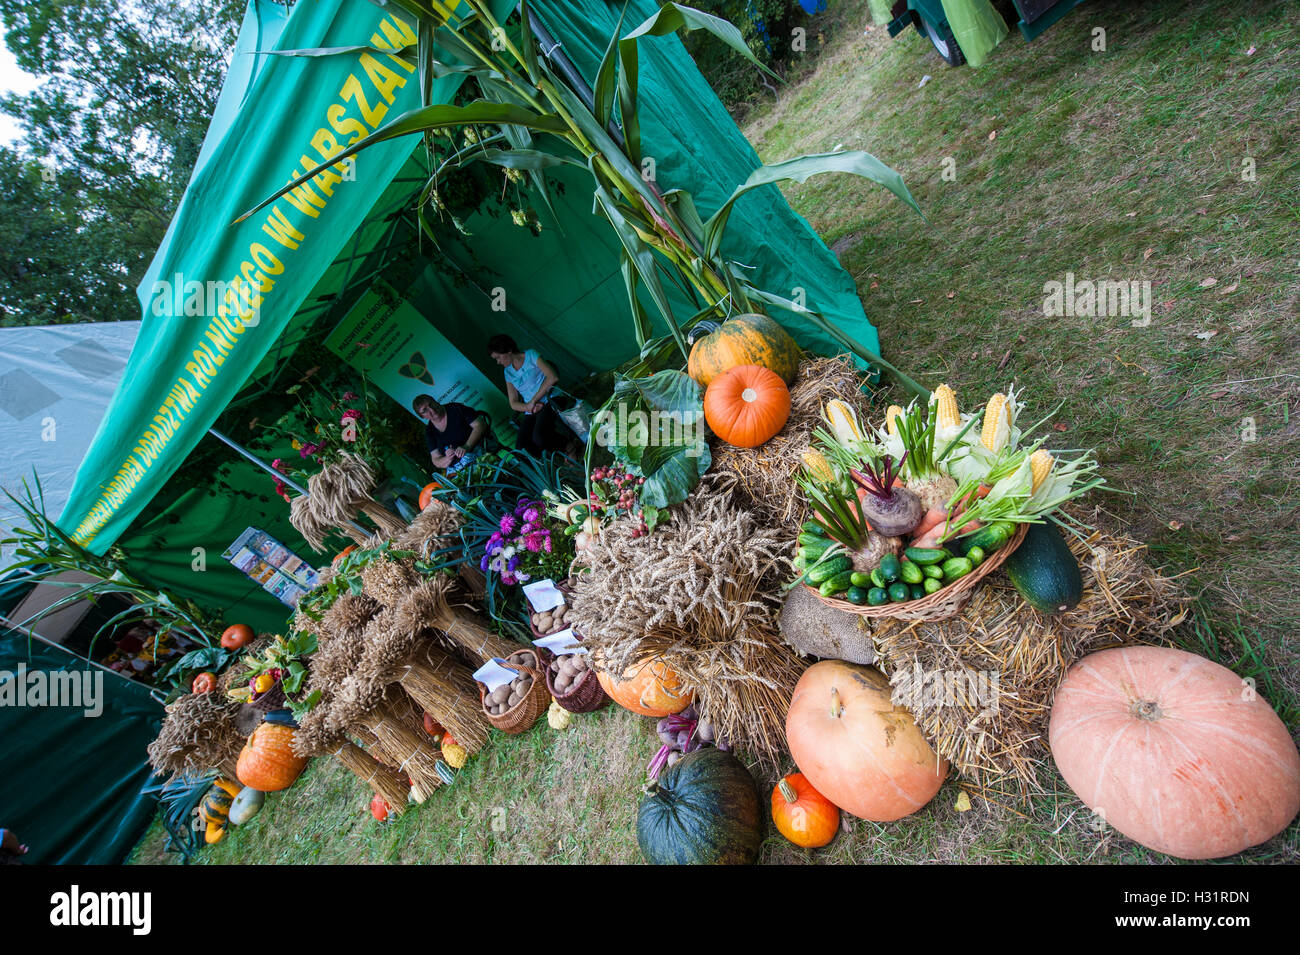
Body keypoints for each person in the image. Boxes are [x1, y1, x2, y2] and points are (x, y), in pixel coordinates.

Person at [487, 333, 566, 457]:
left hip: (551, 399)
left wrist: (533, 401)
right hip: (532, 409)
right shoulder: (507, 372)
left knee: (539, 437)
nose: (498, 362)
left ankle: (568, 447)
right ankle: (549, 462)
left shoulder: (530, 355)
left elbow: (553, 377)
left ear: (508, 350)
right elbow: (513, 402)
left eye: (498, 357)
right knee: (521, 448)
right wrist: (529, 407)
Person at [412, 394, 489, 475]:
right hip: (457, 469)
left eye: (431, 404)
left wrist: (467, 446)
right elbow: (436, 460)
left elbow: (480, 425)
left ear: (435, 401)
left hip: (478, 453)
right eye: (425, 410)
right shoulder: (429, 431)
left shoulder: (455, 408)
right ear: (422, 416)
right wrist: (448, 458)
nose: (432, 410)